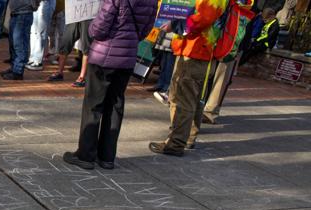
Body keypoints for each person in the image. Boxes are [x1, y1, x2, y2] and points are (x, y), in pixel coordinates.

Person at [63, 0, 157, 169]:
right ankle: (107, 156)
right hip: (127, 55)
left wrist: (91, 29)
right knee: (115, 104)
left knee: (93, 105)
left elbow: (99, 27)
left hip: (104, 54)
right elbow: (147, 28)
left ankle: (86, 155)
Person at [148, 0, 228, 156]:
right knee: (192, 98)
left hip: (195, 52)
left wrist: (175, 25)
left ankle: (176, 143)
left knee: (182, 99)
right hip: (200, 51)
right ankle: (187, 138)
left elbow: (201, 19)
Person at [47, 20, 92, 87]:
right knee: (65, 43)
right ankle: (59, 73)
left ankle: (82, 77)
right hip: (73, 17)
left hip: (88, 17)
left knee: (86, 47)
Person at [1, 0, 38, 79]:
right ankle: (14, 68)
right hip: (16, 12)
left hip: (24, 13)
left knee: (19, 44)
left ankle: (18, 71)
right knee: (13, 43)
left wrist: (33, 4)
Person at [25, 0, 57, 70]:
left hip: (46, 3)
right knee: (33, 32)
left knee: (41, 33)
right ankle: (32, 59)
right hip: (36, 3)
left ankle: (37, 61)